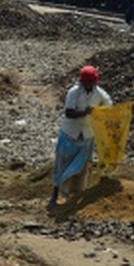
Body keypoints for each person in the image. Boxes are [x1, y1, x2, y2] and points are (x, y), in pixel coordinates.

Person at [50, 65, 113, 210]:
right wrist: (85, 112)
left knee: (83, 167)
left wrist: (101, 112)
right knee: (61, 164)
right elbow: (69, 113)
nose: (90, 84)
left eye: (92, 82)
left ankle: (76, 196)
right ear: (83, 82)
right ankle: (55, 195)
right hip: (70, 133)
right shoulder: (74, 92)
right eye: (88, 82)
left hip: (87, 134)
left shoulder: (100, 94)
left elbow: (109, 106)